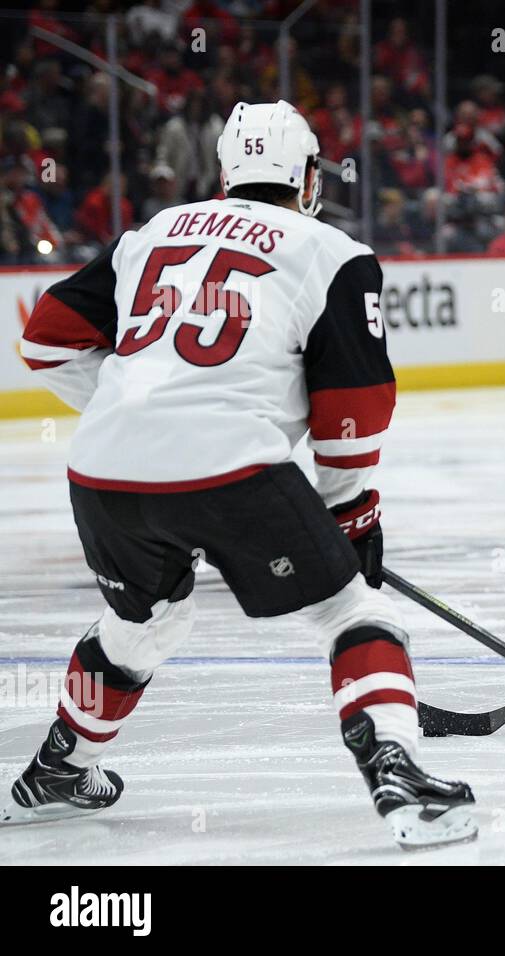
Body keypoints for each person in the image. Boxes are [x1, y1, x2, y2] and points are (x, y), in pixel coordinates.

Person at [3, 101, 477, 850]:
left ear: (225, 174)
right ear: (310, 175)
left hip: (103, 471)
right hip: (229, 468)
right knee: (353, 614)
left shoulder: (152, 233)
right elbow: (354, 403)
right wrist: (350, 511)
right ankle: (399, 771)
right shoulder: (331, 252)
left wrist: (140, 408)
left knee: (143, 622)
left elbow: (45, 341)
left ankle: (62, 768)